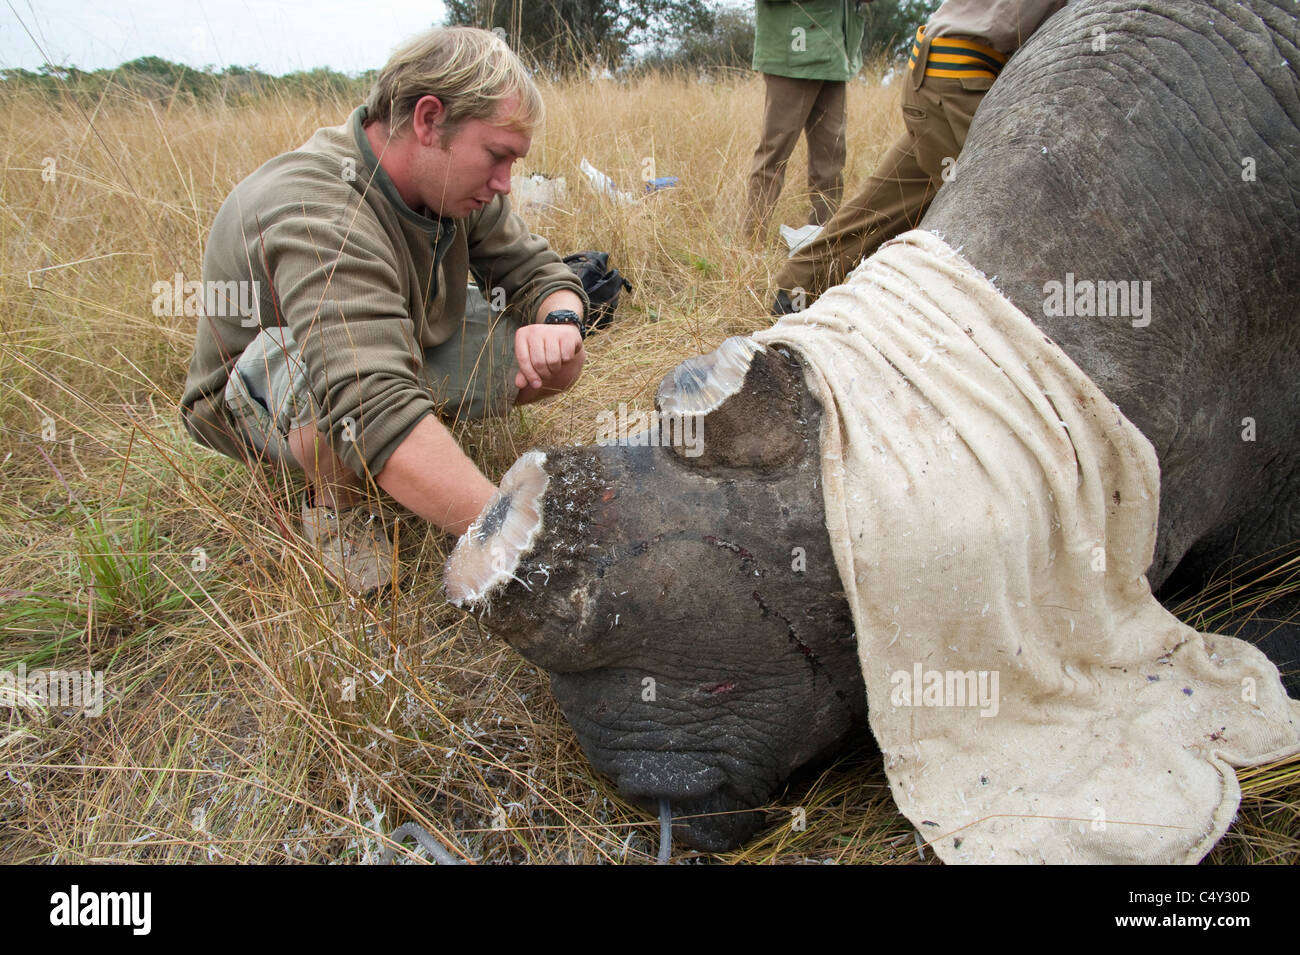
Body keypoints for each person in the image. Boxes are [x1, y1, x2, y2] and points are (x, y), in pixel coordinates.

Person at [180, 27, 589, 593]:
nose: (505, 184)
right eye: (497, 156)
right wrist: (520, 541)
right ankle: (338, 509)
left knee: (551, 354)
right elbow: (369, 398)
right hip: (254, 387)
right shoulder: (316, 204)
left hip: (386, 347)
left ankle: (415, 454)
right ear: (427, 120)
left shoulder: (452, 184)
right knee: (338, 382)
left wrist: (560, 321)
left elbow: (538, 272)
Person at [773, 0, 1066, 312]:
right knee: (1019, 214)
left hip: (933, 73)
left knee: (886, 203)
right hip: (961, 78)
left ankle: (795, 289)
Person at [743, 0, 867, 241]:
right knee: (774, 154)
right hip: (792, 56)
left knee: (831, 159)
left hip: (835, 54)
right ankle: (750, 246)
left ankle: (821, 243)